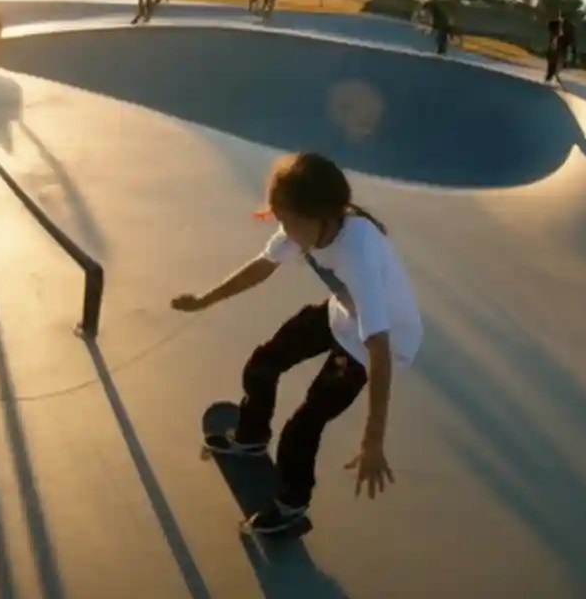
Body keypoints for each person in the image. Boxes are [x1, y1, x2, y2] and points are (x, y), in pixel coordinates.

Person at [172, 152, 422, 534]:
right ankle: (252, 437)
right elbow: (261, 267)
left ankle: (292, 503)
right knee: (263, 363)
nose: (282, 228)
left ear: (316, 216)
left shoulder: (358, 254)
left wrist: (373, 440)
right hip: (342, 314)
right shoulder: (305, 227)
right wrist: (205, 299)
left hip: (378, 344)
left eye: (285, 219)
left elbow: (379, 349)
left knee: (303, 426)